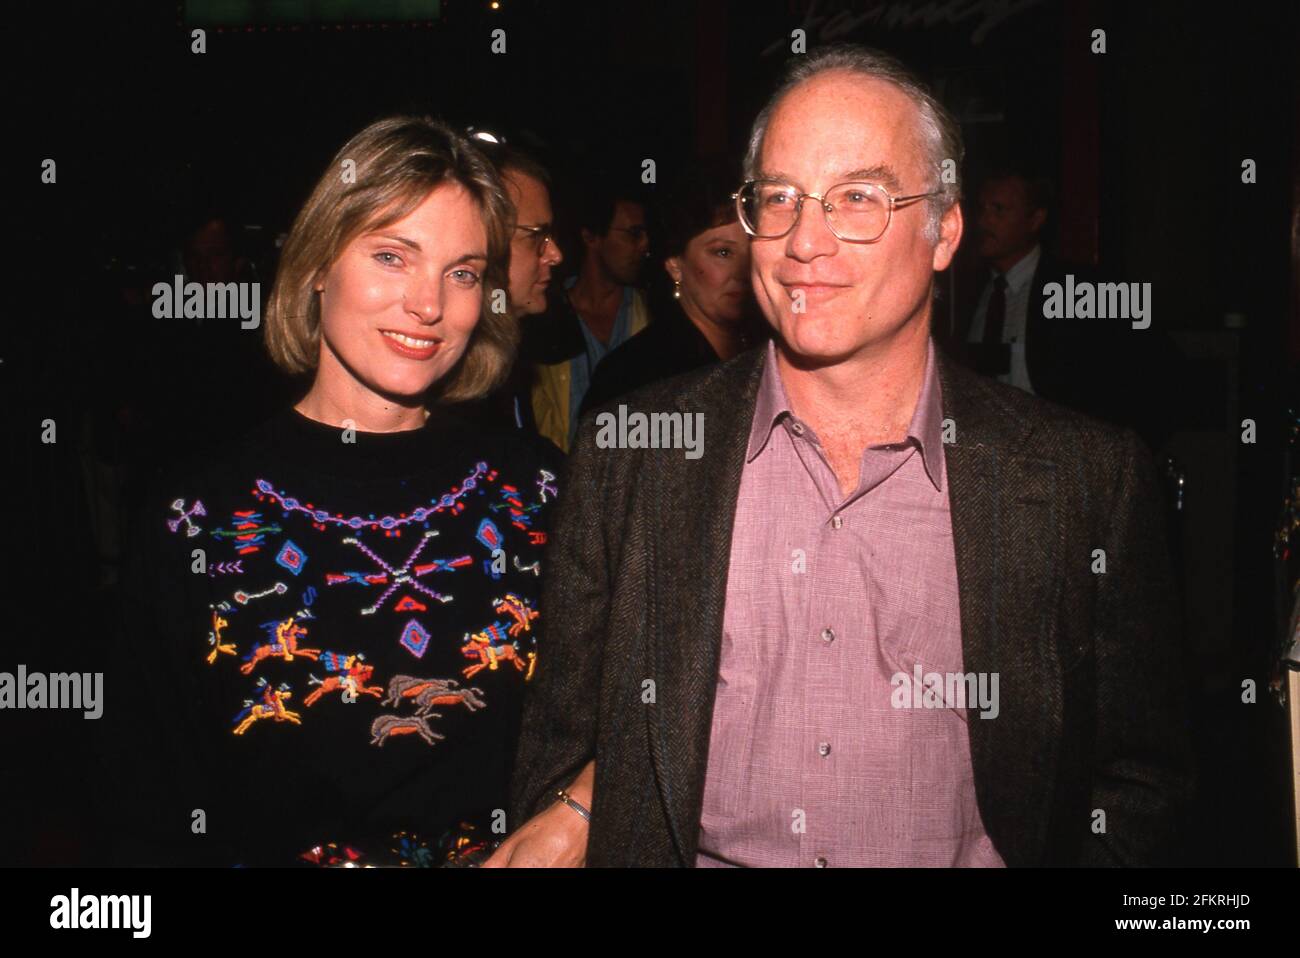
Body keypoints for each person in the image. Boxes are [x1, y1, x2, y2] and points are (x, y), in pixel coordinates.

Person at [502, 44, 1194, 867]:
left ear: (944, 230)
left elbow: (1140, 784)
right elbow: (560, 751)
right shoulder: (634, 455)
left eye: (858, 197)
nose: (805, 242)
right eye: (781, 198)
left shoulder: (1087, 479)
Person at [107, 116, 565, 867]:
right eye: (392, 255)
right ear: (318, 264)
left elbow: (638, 711)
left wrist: (575, 818)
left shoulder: (539, 488)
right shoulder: (198, 515)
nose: (429, 305)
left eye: (462, 272)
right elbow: (141, 800)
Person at [580, 167, 761, 413]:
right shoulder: (635, 374)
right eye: (722, 252)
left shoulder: (762, 352)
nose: (743, 270)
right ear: (675, 266)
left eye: (752, 250)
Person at [526, 178, 654, 452]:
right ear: (591, 237)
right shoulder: (544, 316)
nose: (644, 245)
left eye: (645, 234)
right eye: (633, 233)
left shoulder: (655, 316)